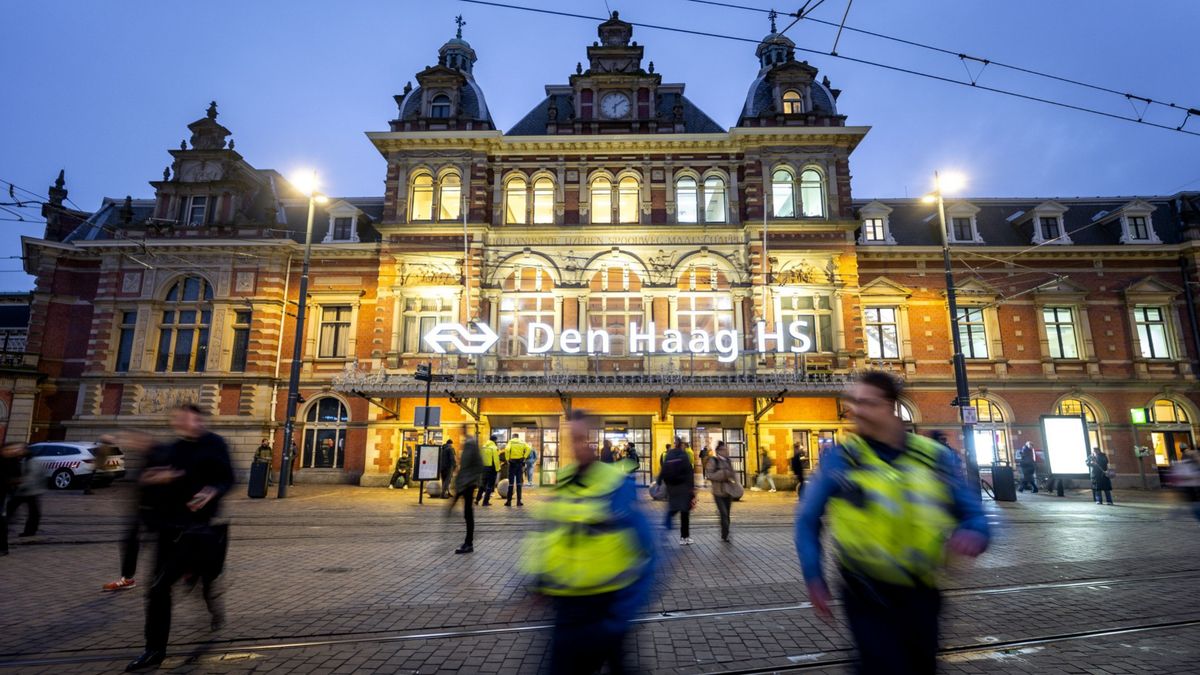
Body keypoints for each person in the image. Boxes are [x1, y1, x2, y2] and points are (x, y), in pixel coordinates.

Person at [796, 371, 989, 675]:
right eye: (853, 402)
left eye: (866, 402)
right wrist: (812, 574)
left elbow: (973, 512)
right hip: (865, 592)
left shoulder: (933, 457)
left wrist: (974, 532)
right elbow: (807, 519)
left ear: (889, 406)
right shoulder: (841, 459)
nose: (856, 410)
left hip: (922, 593)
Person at [520, 409, 656, 674]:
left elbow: (649, 550)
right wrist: (536, 579)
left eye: (582, 438)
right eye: (572, 439)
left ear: (595, 441)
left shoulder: (617, 484)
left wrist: (625, 611)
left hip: (607, 606)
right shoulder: (563, 481)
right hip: (566, 606)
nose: (577, 445)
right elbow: (547, 534)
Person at [126, 403, 234, 672]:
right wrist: (152, 479)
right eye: (181, 419)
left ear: (199, 420)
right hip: (171, 533)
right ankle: (154, 650)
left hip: (201, 532)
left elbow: (229, 478)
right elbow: (145, 482)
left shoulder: (214, 444)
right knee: (157, 590)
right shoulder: (170, 449)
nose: (186, 423)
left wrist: (212, 491)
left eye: (191, 418)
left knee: (204, 582)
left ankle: (213, 606)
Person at [102, 431, 161, 592]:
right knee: (129, 543)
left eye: (137, 441)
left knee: (163, 546)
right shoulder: (144, 458)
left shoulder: (160, 456)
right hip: (141, 512)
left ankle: (172, 575)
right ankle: (128, 579)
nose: (133, 443)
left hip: (159, 512)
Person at [449, 437, 483, 554]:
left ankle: (469, 543)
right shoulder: (469, 451)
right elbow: (463, 470)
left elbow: (475, 469)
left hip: (468, 485)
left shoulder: (471, 451)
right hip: (465, 485)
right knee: (467, 515)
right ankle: (468, 543)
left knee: (468, 515)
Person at [659, 438, 695, 545]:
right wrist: (692, 489)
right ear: (682, 445)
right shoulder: (684, 456)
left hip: (672, 488)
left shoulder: (669, 454)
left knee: (673, 510)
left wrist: (660, 481)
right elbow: (689, 473)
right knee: (685, 512)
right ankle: (684, 537)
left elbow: (664, 469)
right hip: (683, 488)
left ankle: (664, 530)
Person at [705, 440, 737, 543]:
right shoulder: (713, 461)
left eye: (726, 449)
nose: (725, 451)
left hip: (728, 491)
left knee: (727, 514)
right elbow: (709, 475)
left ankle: (725, 533)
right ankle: (725, 535)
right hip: (718, 492)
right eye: (723, 450)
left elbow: (733, 474)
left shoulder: (728, 461)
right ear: (718, 451)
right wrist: (723, 474)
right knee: (723, 513)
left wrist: (735, 483)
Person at [504, 433, 530, 507]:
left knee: (511, 483)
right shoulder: (522, 442)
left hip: (512, 463)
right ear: (518, 437)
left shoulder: (511, 442)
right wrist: (524, 457)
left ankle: (509, 501)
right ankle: (519, 501)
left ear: (513, 437)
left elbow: (507, 449)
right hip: (519, 463)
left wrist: (507, 459)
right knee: (519, 483)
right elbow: (529, 448)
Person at [475, 435, 501, 506]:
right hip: (491, 469)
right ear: (495, 440)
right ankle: (485, 502)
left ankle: (477, 499)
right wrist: (498, 468)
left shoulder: (483, 447)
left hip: (484, 468)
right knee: (489, 486)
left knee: (483, 484)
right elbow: (496, 460)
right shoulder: (494, 448)